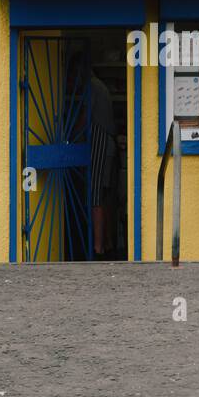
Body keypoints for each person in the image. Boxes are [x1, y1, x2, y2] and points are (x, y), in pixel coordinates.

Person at [69, 51, 117, 260]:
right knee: (104, 194)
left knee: (95, 192)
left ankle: (96, 248)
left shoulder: (91, 87)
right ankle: (105, 243)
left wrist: (69, 135)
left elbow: (83, 116)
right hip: (109, 143)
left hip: (99, 139)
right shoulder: (101, 86)